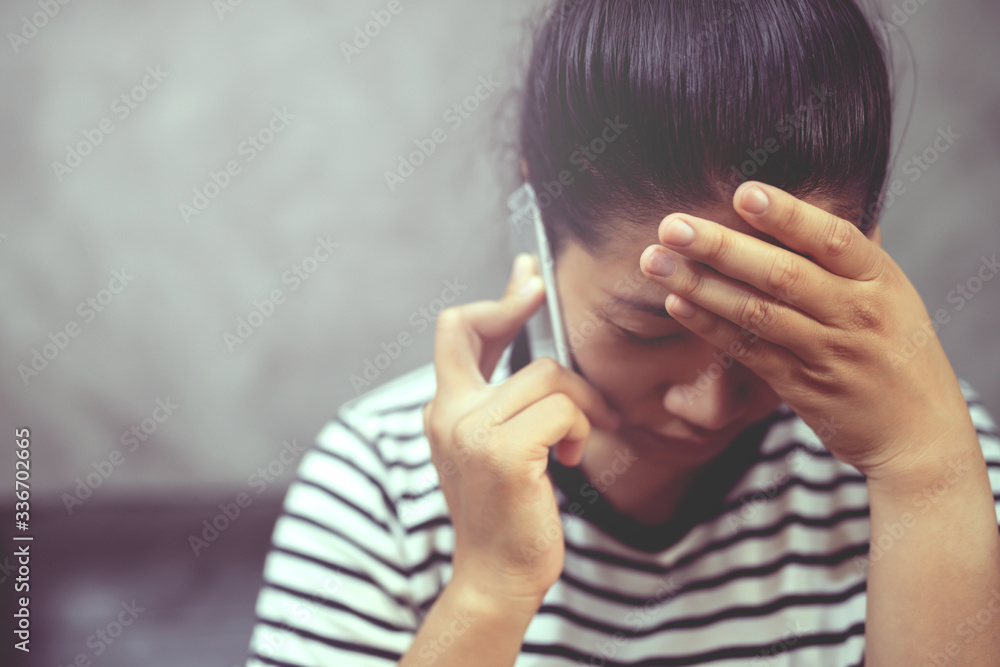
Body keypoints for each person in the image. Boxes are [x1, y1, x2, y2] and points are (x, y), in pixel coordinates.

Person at [244, 0, 1000, 665]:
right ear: (535, 220)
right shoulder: (378, 481)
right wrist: (488, 589)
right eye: (647, 329)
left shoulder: (932, 447)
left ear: (866, 244)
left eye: (768, 338)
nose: (706, 406)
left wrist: (927, 478)